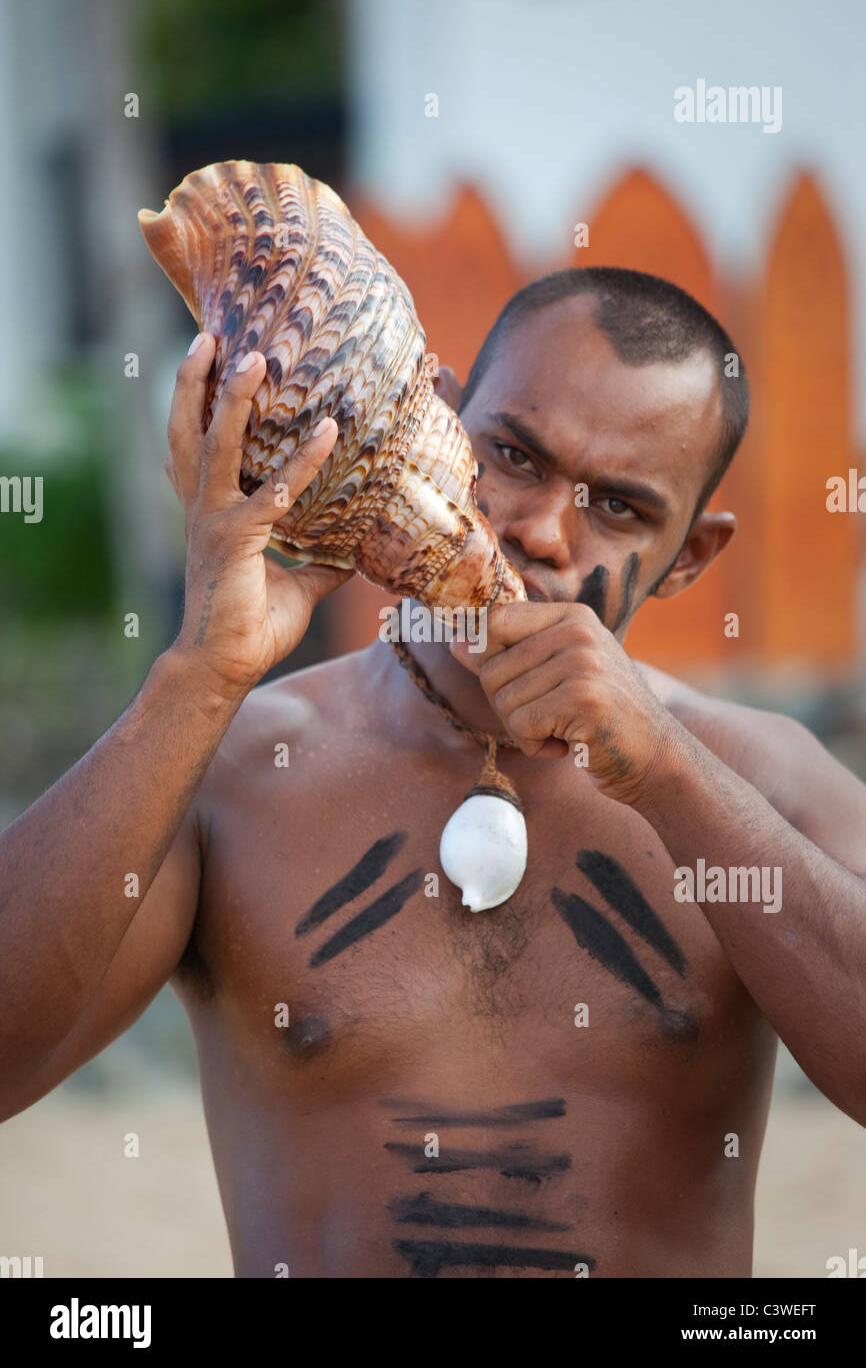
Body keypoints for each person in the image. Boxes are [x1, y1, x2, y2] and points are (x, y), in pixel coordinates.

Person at [2, 267, 865, 1279]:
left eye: (621, 507)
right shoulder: (234, 769)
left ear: (687, 558)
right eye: (509, 455)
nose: (540, 532)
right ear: (437, 418)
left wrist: (666, 772)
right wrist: (198, 677)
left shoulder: (760, 776)